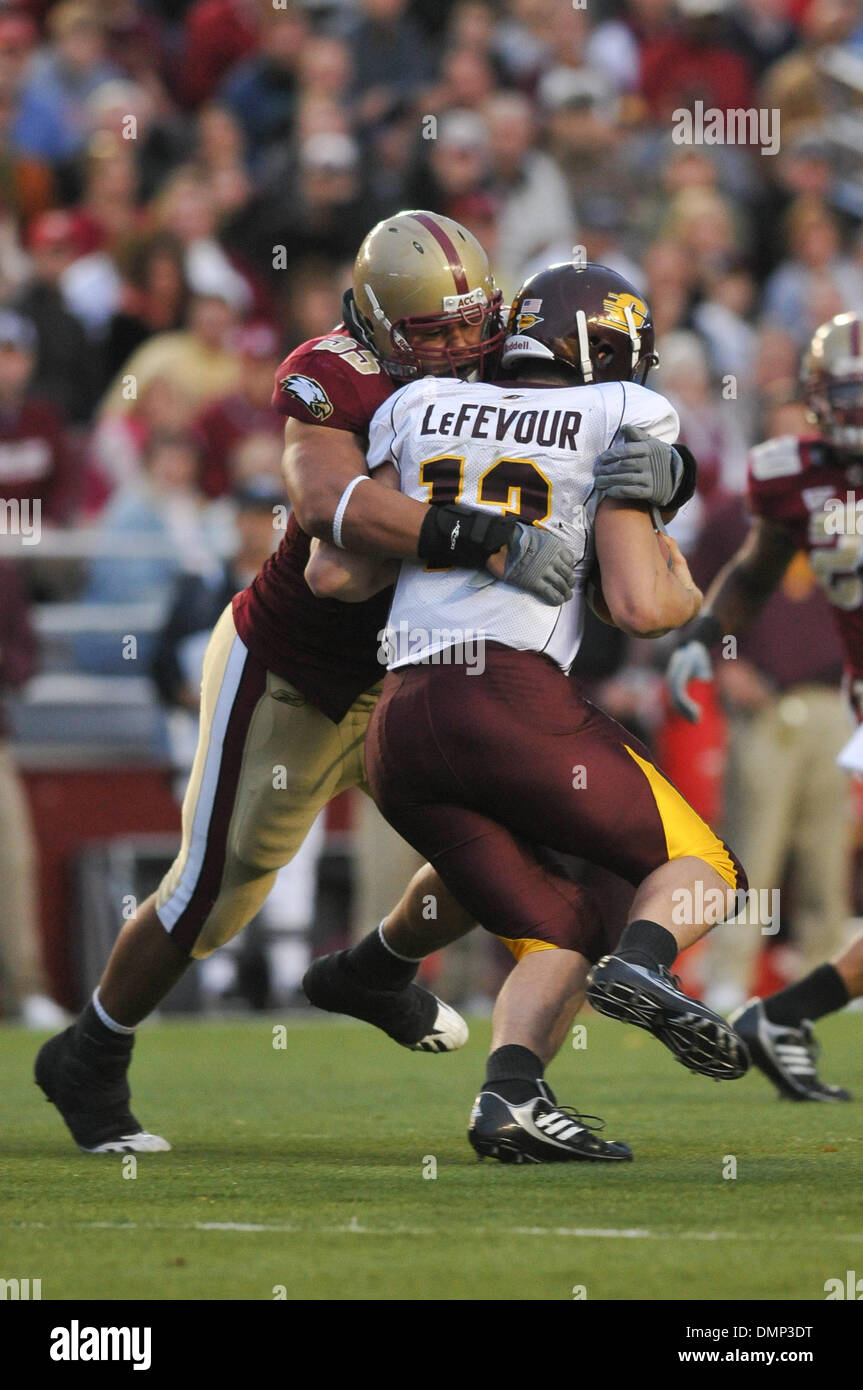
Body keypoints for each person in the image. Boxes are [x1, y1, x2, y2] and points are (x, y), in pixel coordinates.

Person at [33, 212, 597, 1155]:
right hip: (294, 669)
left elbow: (597, 436)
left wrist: (661, 471)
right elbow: (327, 510)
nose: (462, 350)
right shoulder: (336, 372)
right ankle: (90, 1052)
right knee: (215, 890)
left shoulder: (514, 363)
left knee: (507, 847)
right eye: (435, 333)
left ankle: (374, 970)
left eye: (473, 326)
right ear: (379, 326)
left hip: (419, 671)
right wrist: (482, 534)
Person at [308, 261, 750, 1163]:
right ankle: (645, 963)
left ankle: (508, 1098)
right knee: (703, 865)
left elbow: (336, 573)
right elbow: (638, 606)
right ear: (610, 347)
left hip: (398, 723)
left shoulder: (416, 401)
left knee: (556, 926)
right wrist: (674, 529)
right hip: (506, 696)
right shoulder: (621, 408)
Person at [666, 311, 863, 1102]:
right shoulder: (791, 475)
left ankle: (780, 1016)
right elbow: (753, 570)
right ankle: (778, 1014)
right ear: (816, 398)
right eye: (843, 396)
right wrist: (701, 637)